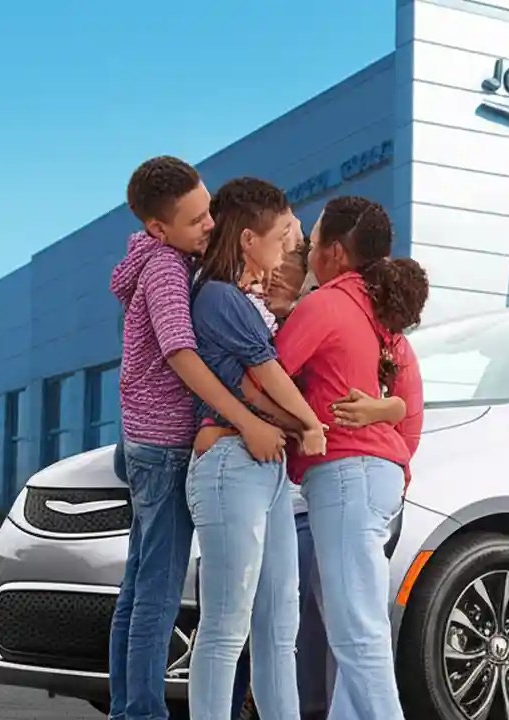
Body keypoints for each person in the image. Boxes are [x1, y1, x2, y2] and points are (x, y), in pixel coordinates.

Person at [108, 156, 287, 720]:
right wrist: (249, 421)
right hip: (163, 448)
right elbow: (181, 354)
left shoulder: (159, 256)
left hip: (145, 441)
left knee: (139, 587)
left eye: (208, 210)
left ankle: (127, 708)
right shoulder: (165, 268)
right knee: (158, 593)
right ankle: (142, 712)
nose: (210, 224)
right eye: (195, 220)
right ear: (158, 228)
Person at [274, 195, 428, 720]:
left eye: (313, 242)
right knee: (357, 626)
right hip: (378, 481)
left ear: (336, 253)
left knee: (357, 633)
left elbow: (268, 375)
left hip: (346, 478)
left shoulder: (325, 306)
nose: (307, 251)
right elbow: (410, 418)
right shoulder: (385, 317)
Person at [184, 177, 329, 720]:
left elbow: (259, 384)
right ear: (248, 239)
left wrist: (298, 425)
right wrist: (309, 423)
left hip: (265, 469)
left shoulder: (246, 299)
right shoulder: (219, 296)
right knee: (227, 626)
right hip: (229, 466)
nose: (286, 248)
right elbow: (264, 375)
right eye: (279, 236)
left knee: (279, 626)